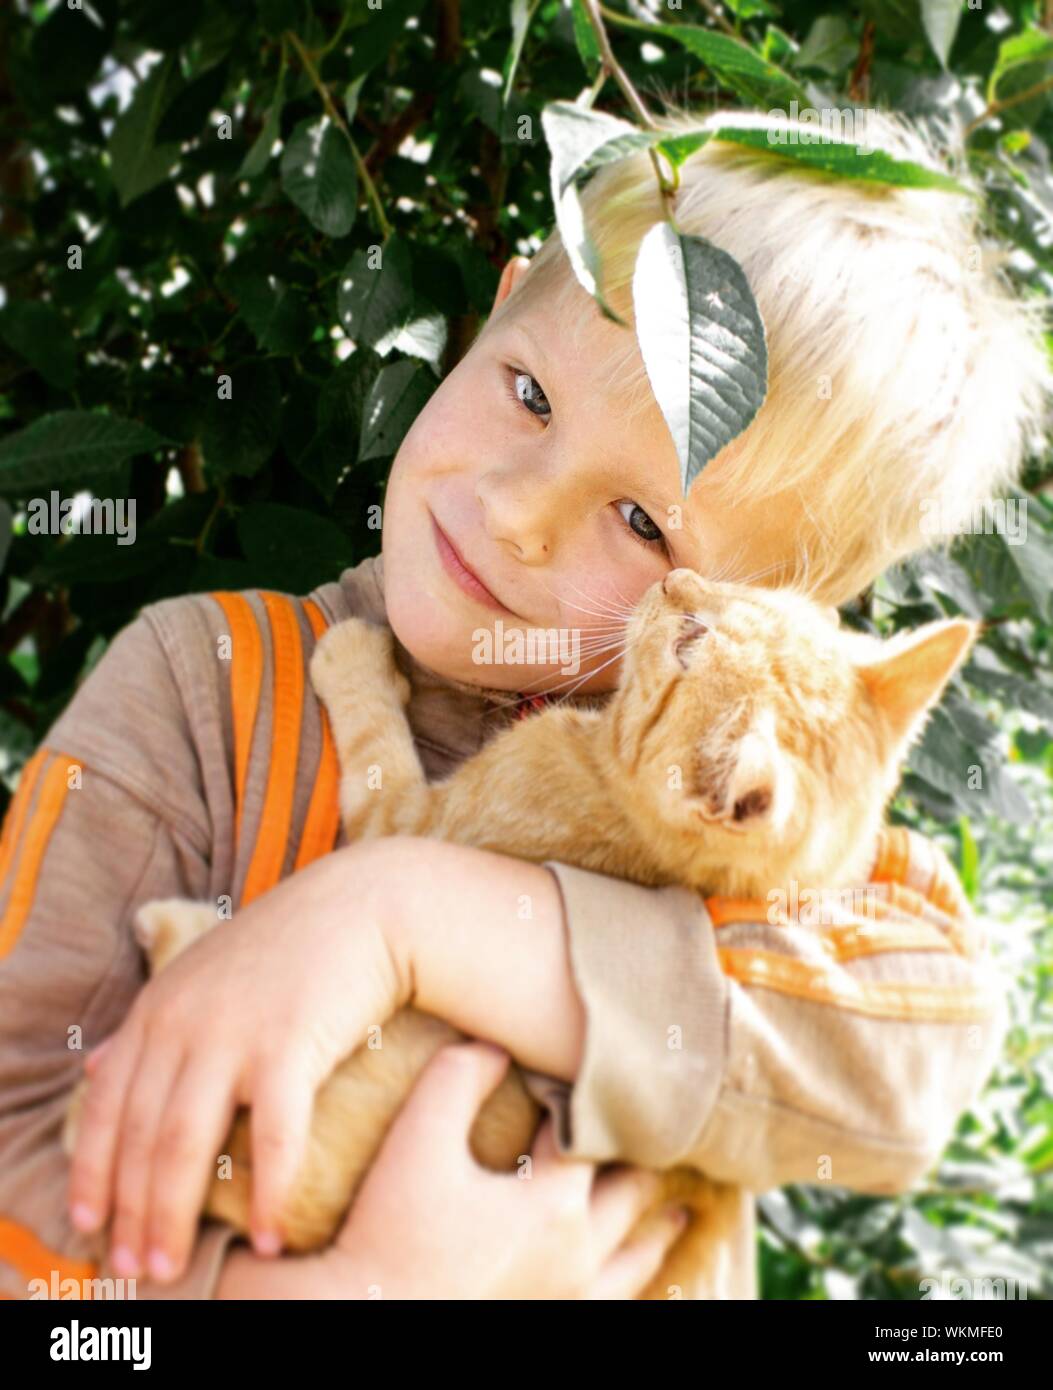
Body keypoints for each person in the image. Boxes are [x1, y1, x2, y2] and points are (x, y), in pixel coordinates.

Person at [0, 109, 1046, 1299]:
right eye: (531, 393)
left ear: (773, 612)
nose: (514, 511)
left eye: (647, 522)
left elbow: (920, 1050)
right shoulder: (201, 690)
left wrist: (406, 910)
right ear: (494, 308)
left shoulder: (729, 810)